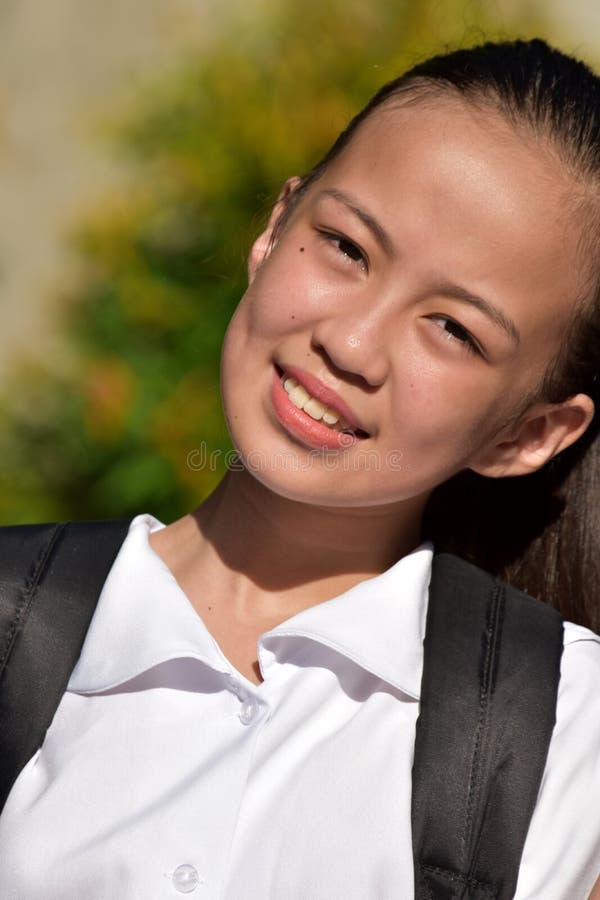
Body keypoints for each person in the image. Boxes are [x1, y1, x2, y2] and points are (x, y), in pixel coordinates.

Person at [0, 37, 599, 900]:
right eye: (347, 247)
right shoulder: (19, 620)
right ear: (276, 228)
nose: (350, 344)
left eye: (454, 330)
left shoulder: (569, 740)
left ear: (531, 434)